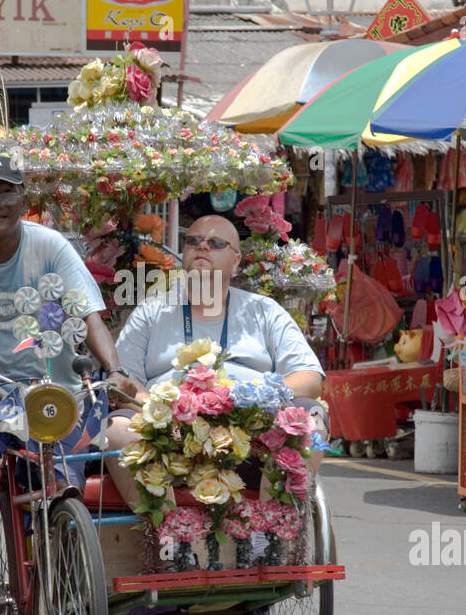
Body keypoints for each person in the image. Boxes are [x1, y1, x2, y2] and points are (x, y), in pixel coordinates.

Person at [0, 155, 125, 615]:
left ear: (24, 200)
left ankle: (67, 576)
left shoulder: (51, 246)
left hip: (53, 388)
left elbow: (88, 312)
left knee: (67, 478)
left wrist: (112, 368)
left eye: (6, 191)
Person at [103, 214, 327, 502]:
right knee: (116, 429)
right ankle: (166, 534)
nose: (202, 247)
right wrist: (151, 404)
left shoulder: (264, 310)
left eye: (216, 243)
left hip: (253, 430)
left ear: (235, 262)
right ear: (183, 253)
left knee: (311, 419)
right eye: (193, 241)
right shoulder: (152, 311)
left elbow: (308, 377)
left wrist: (257, 397)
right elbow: (122, 379)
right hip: (166, 430)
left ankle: (271, 533)